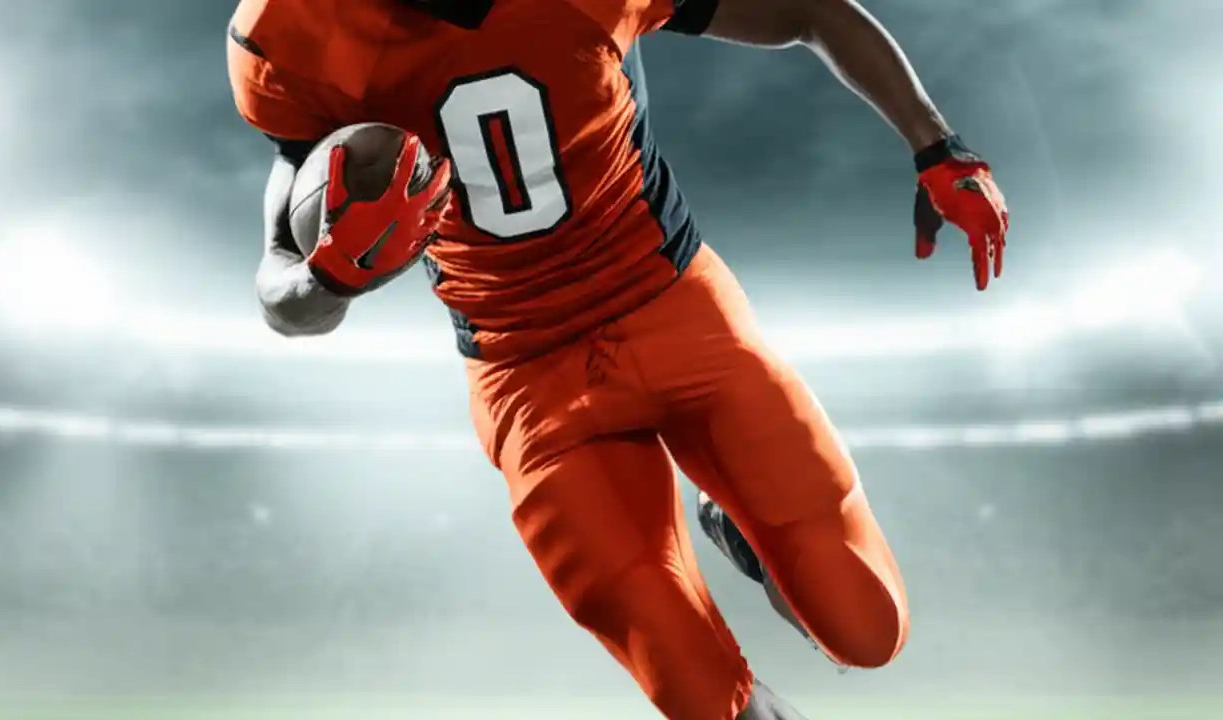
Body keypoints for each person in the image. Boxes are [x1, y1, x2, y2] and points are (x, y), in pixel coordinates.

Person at [226, 0, 1010, 718]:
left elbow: (807, 11)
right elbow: (281, 293)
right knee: (696, 691)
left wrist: (939, 146)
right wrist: (326, 276)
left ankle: (740, 528)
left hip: (671, 302)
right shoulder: (293, 34)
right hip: (526, 369)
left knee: (869, 626)